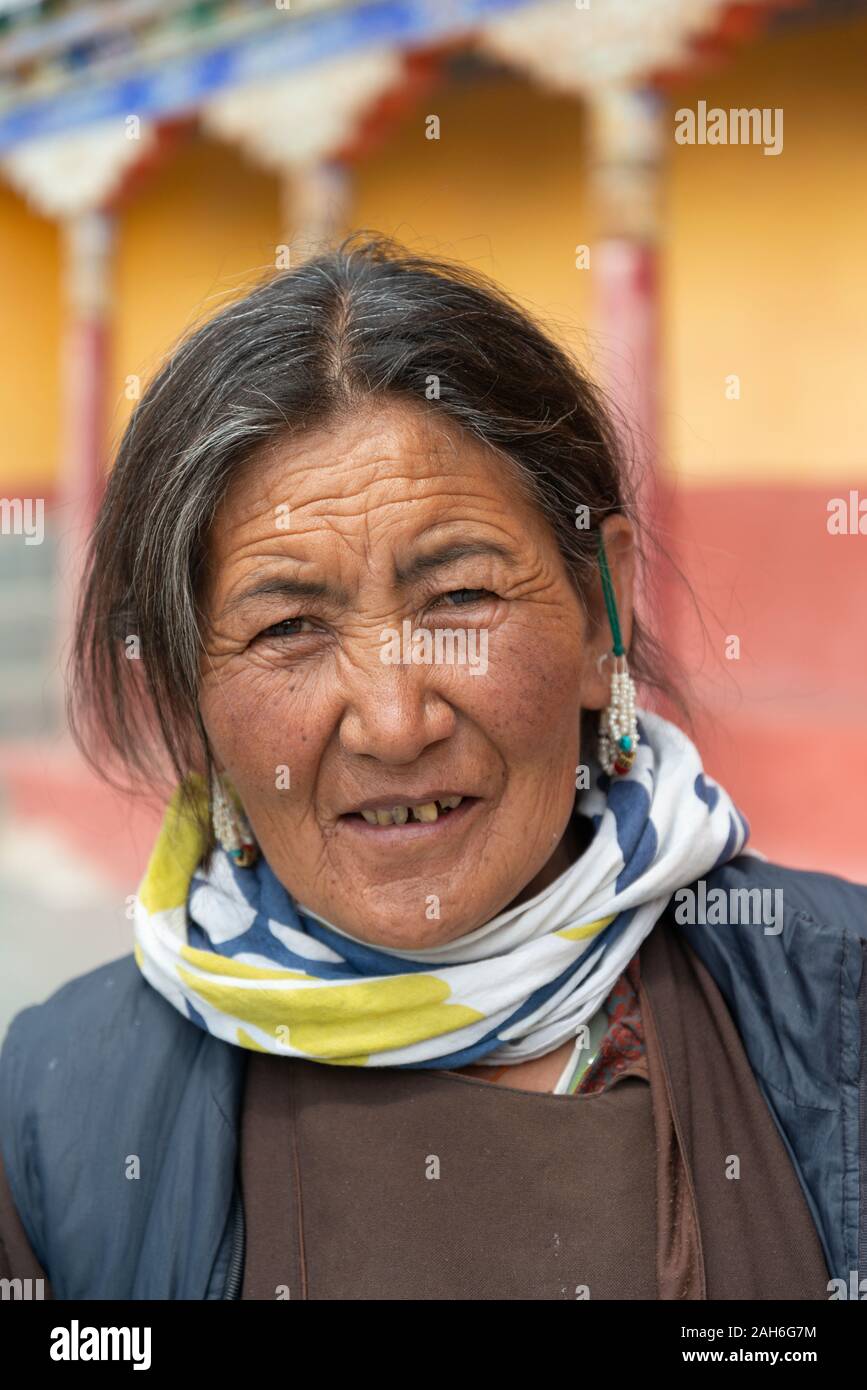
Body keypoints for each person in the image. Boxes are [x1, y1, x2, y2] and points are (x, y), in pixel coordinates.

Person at [1, 235, 864, 1301]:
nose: (395, 720)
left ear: (601, 608)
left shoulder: (839, 1006)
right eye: (289, 627)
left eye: (459, 597)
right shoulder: (52, 1120)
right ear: (187, 699)